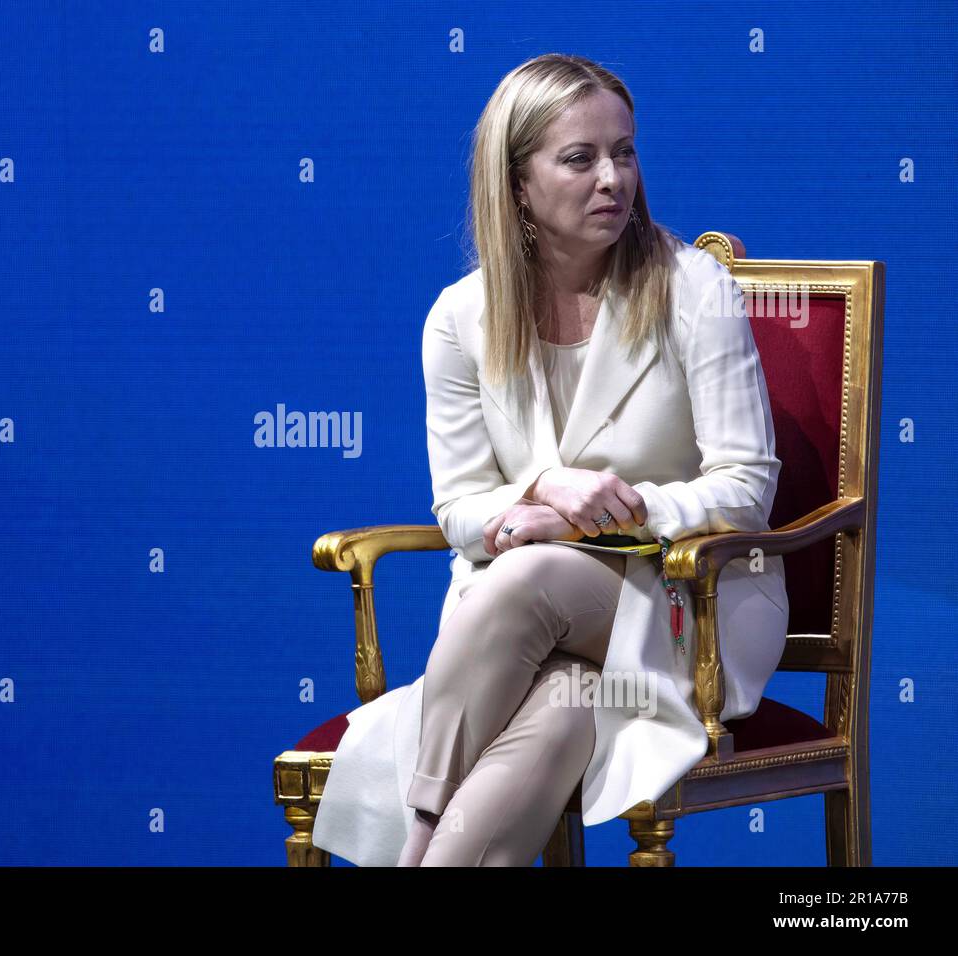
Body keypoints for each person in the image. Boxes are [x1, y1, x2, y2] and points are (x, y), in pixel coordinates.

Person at [309, 52, 790, 867]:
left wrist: (607, 508)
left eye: (625, 151)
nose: (614, 178)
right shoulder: (460, 318)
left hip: (686, 605)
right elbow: (459, 506)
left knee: (528, 578)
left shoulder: (693, 289)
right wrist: (525, 499)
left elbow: (747, 486)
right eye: (580, 157)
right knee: (561, 716)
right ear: (517, 184)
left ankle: (411, 834)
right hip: (530, 645)